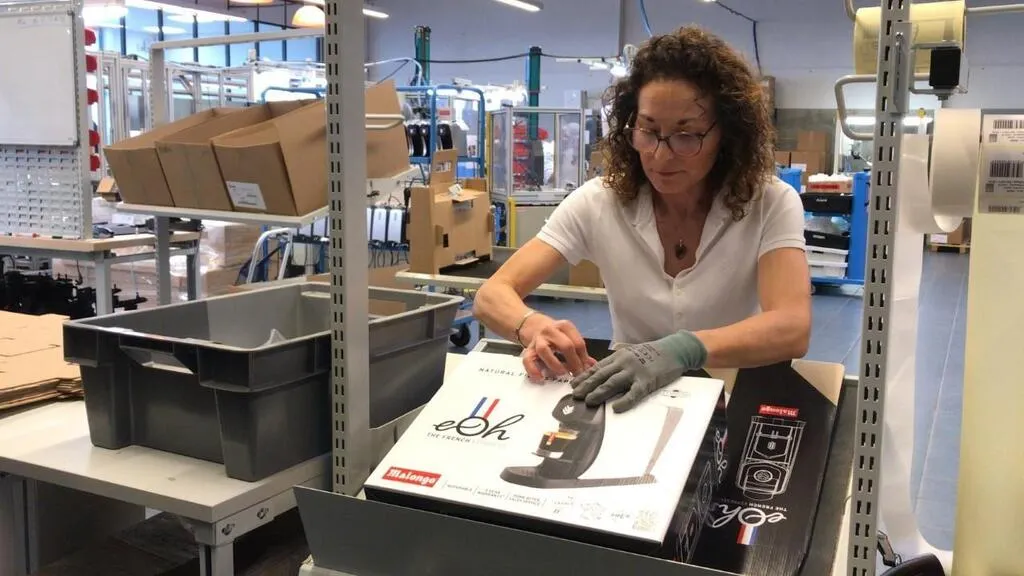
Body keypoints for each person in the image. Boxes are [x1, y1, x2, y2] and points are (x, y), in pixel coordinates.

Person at [473, 26, 811, 413]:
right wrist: (534, 328)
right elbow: (492, 294)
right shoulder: (599, 202)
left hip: (736, 394)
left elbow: (791, 325)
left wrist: (683, 349)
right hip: (631, 401)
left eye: (687, 136)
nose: (660, 157)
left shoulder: (769, 201)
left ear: (727, 134)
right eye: (648, 131)